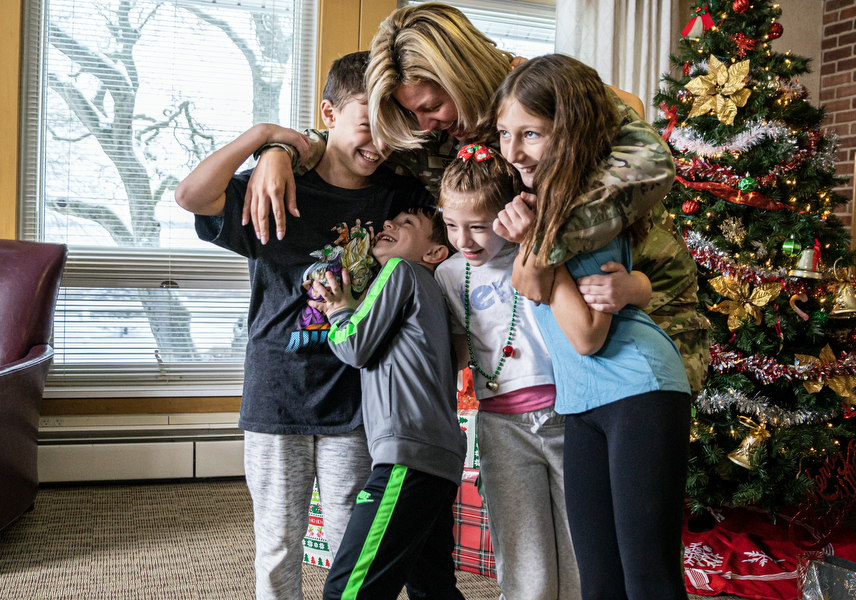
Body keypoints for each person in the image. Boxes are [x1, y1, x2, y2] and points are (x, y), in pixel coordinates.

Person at [240, 4, 713, 395]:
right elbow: (350, 144)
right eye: (412, 111)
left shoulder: (540, 88)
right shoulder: (427, 132)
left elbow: (650, 163)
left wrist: (543, 246)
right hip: (535, 327)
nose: (426, 123)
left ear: (461, 72)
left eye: (432, 105)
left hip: (631, 292)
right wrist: (280, 149)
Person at [173, 52, 433, 600]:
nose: (379, 145)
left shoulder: (398, 194)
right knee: (278, 544)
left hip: (358, 398)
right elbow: (191, 196)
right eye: (367, 126)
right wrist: (267, 137)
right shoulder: (279, 182)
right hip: (278, 397)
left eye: (390, 130)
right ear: (328, 113)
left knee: (351, 545)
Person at [492, 54, 692, 600]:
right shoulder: (545, 205)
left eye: (531, 134)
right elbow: (525, 278)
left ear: (571, 131)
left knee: (648, 577)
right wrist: (533, 245)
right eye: (505, 134)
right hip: (581, 403)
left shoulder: (592, 209)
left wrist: (537, 246)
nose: (513, 152)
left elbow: (585, 334)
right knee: (599, 581)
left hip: (638, 388)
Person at [435, 144, 580, 600]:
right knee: (522, 550)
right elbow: (459, 347)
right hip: (500, 424)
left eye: (478, 226)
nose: (465, 239)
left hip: (566, 413)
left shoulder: (538, 251)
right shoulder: (448, 274)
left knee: (579, 544)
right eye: (452, 226)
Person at [307, 206, 465, 600]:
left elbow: (354, 345)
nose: (389, 224)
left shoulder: (401, 271)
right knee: (433, 587)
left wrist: (340, 311)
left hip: (406, 456)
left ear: (434, 253)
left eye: (407, 223)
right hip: (439, 460)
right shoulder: (436, 298)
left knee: (348, 590)